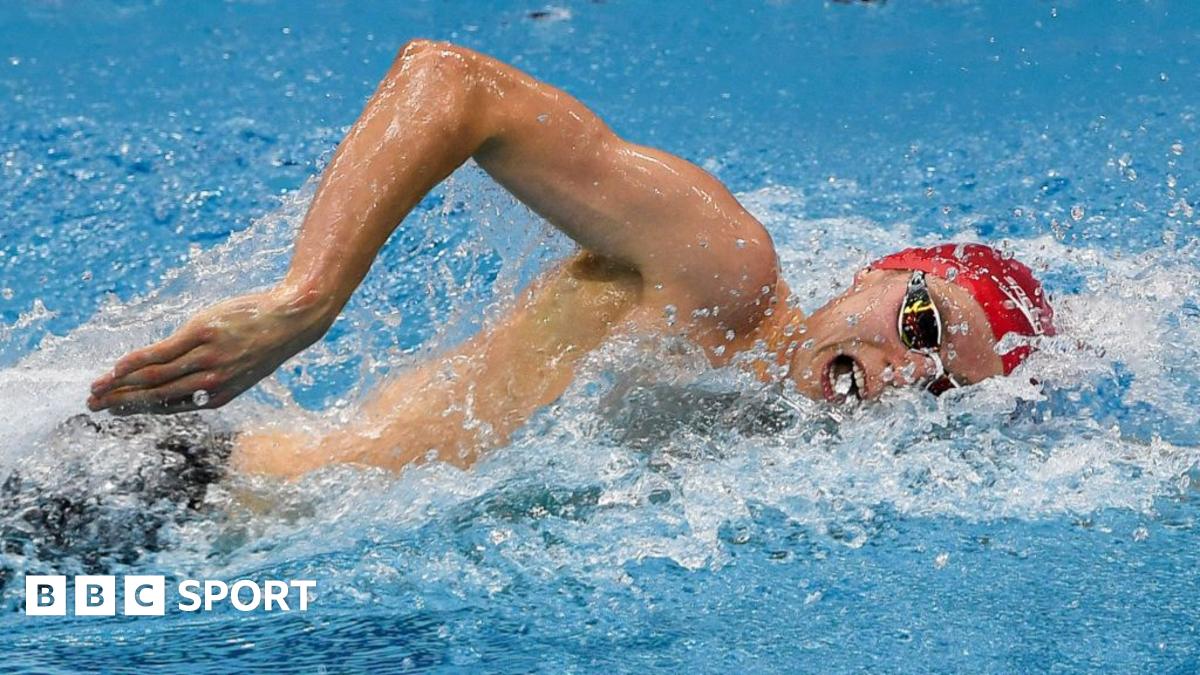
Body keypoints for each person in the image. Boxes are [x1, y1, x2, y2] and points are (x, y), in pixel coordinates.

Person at [85, 40, 1055, 478]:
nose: (902, 374)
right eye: (921, 325)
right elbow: (454, 85)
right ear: (876, 273)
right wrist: (309, 298)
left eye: (937, 392)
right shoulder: (727, 273)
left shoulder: (767, 447)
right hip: (168, 489)